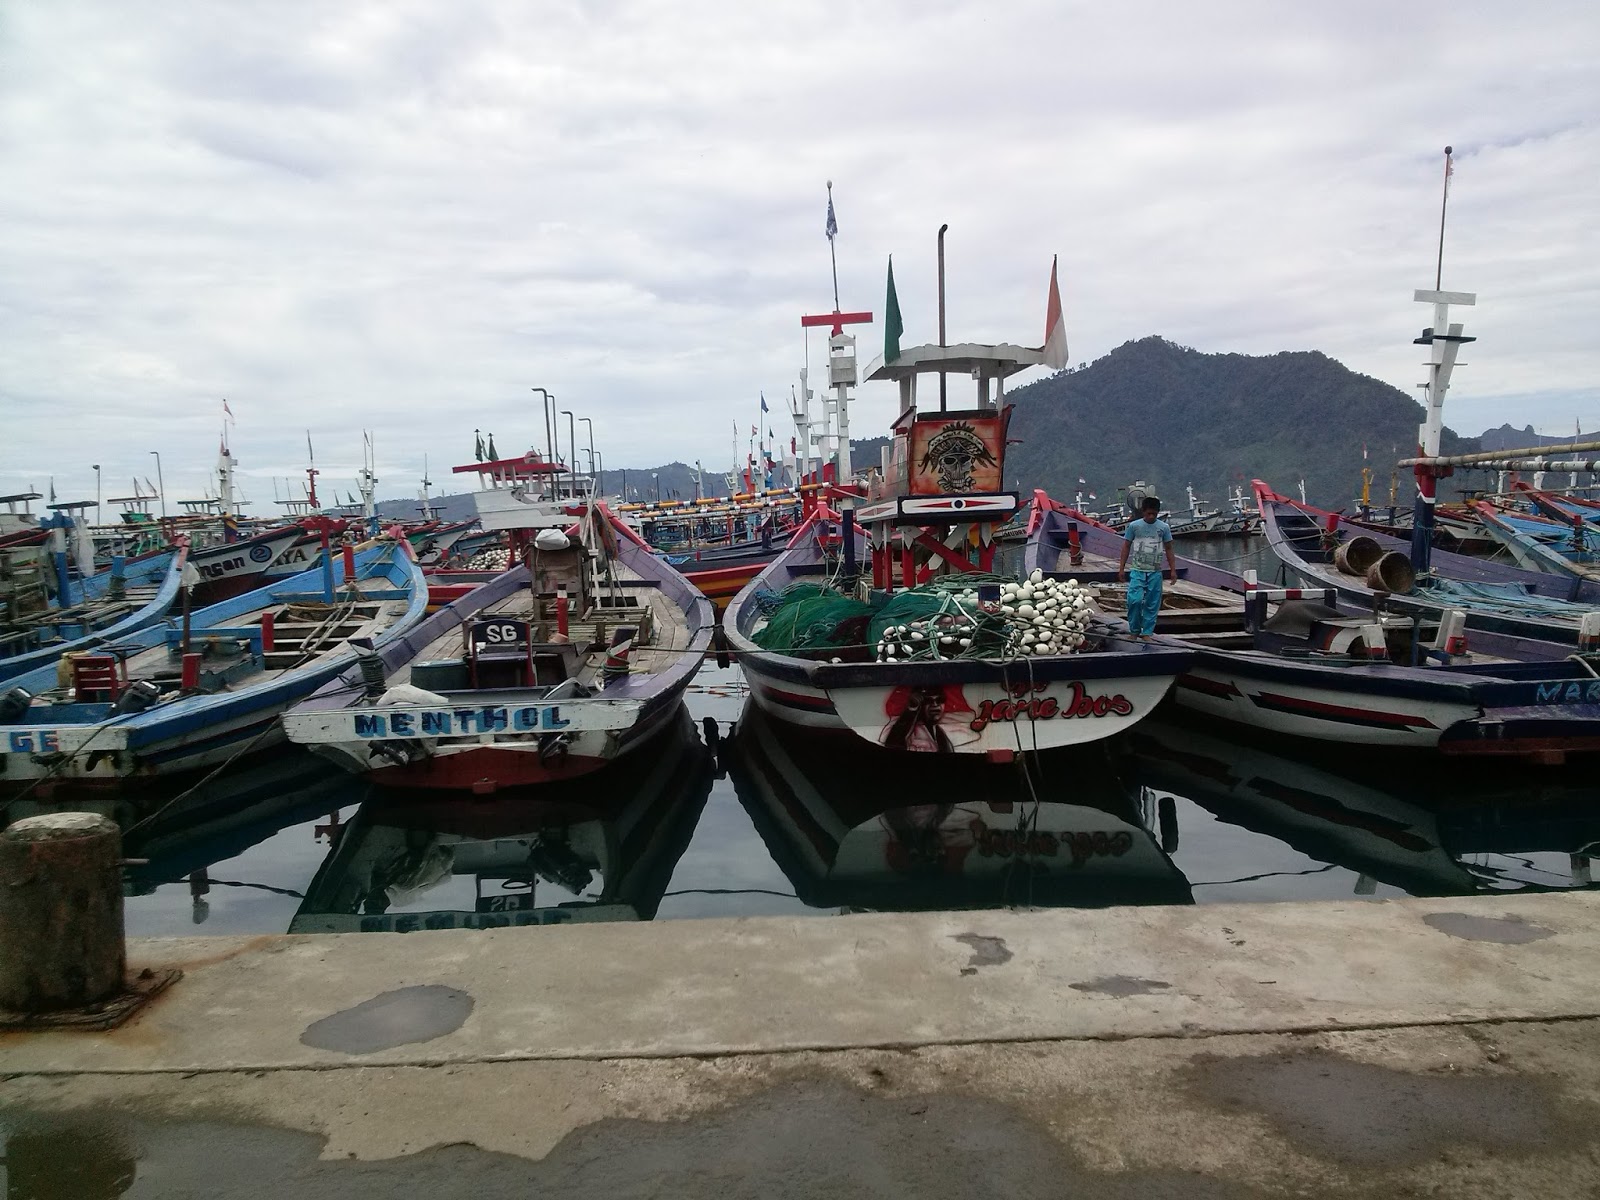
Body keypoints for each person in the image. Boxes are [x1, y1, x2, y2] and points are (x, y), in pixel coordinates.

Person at [1117, 495, 1177, 640]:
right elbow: (1126, 546)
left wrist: (1173, 570)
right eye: (1148, 513)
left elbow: (1169, 549)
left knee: (1152, 603)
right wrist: (1121, 568)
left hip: (1155, 572)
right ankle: (1134, 629)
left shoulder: (1163, 528)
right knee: (1134, 600)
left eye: (1154, 514)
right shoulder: (1134, 526)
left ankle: (1147, 632)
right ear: (1143, 512)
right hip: (1137, 570)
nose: (1151, 517)